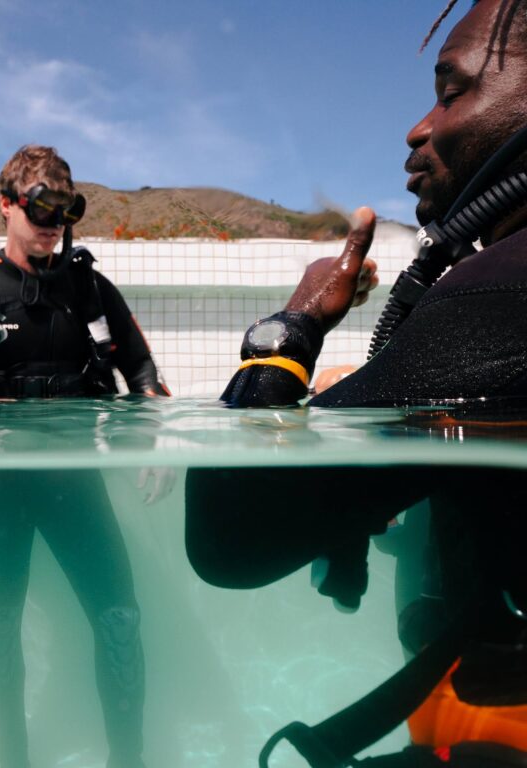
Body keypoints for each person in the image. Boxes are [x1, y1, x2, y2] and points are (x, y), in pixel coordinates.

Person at [186, 1, 527, 765]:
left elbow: (229, 539)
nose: (418, 127)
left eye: (452, 90)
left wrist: (292, 330)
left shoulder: (500, 292)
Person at [0, 145, 170, 768]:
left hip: (75, 481)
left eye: (65, 209)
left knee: (119, 616)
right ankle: (12, 757)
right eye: (40, 207)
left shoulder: (88, 289)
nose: (53, 222)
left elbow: (139, 367)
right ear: (6, 205)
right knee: (0, 623)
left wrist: (156, 437)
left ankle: (128, 758)